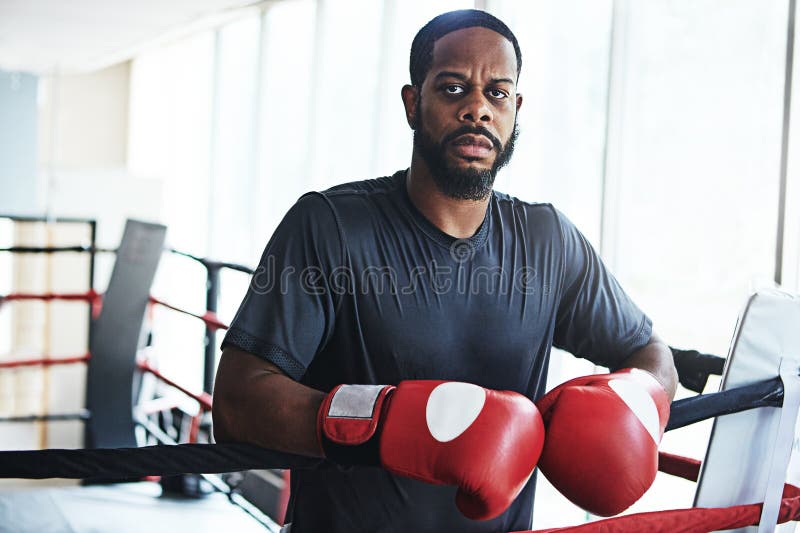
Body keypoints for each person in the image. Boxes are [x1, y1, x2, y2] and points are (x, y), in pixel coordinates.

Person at [212, 9, 678, 533]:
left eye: (497, 93)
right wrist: (386, 421)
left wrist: (634, 403)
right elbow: (236, 401)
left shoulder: (549, 241)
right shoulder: (330, 226)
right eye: (454, 88)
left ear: (515, 109)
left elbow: (651, 353)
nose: (478, 108)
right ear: (413, 103)